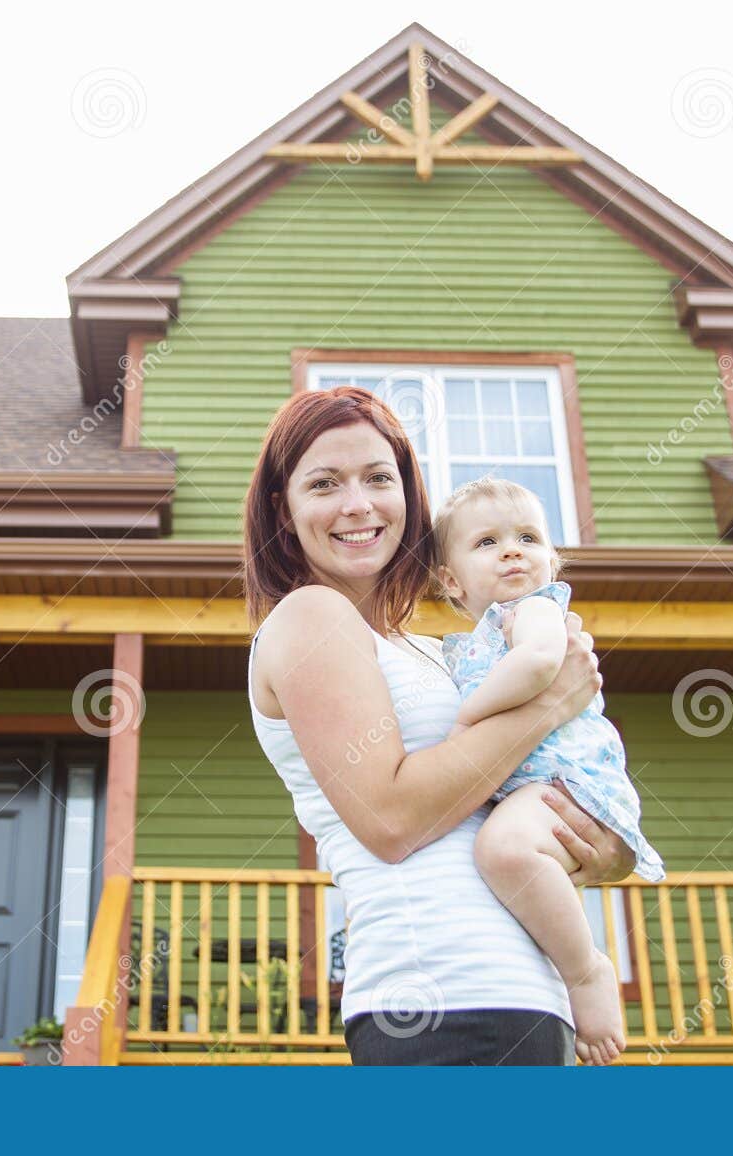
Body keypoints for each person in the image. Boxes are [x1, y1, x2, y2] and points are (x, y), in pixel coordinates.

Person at [243, 385, 635, 1065]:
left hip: (529, 994)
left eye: (378, 478)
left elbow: (507, 782)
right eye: (325, 483)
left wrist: (603, 845)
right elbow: (391, 819)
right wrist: (550, 702)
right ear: (285, 508)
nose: (358, 504)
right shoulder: (309, 616)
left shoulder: (431, 648)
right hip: (441, 1001)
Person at [433, 476, 665, 1065]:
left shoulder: (532, 612)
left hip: (569, 782)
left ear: (551, 563)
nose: (512, 550)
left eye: (528, 537)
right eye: (487, 541)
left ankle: (586, 970)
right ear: (450, 580)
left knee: (505, 852)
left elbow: (539, 665)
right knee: (508, 854)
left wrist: (469, 716)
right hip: (540, 785)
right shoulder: (469, 642)